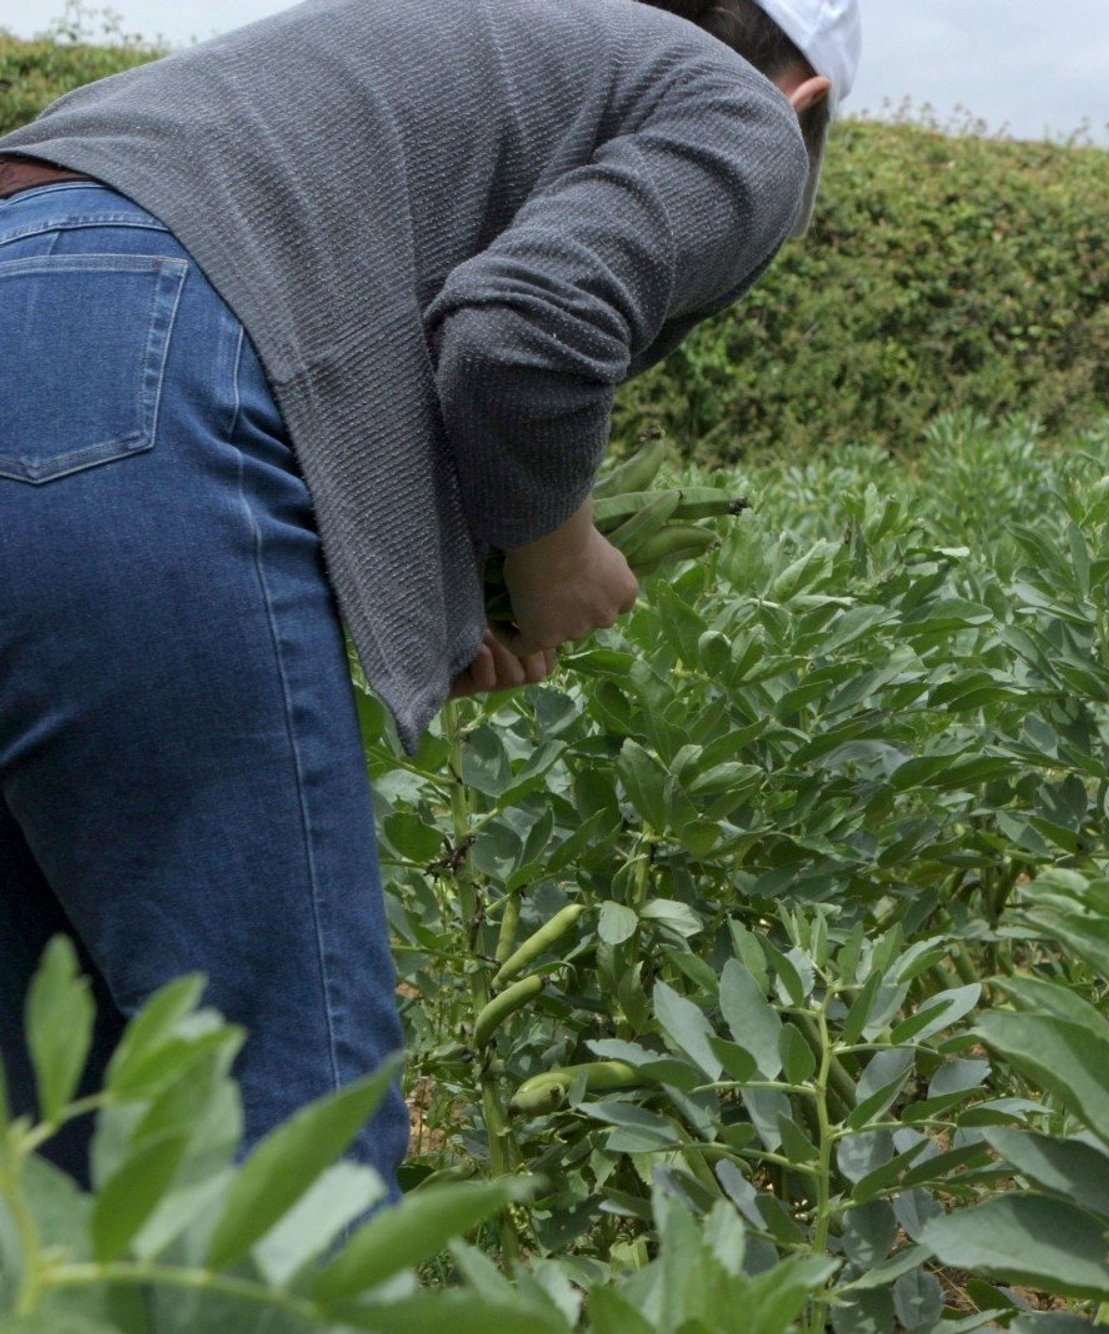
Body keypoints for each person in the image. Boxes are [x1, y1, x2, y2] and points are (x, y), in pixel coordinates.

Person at [0, 0, 860, 1189]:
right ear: (807, 96)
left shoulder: (487, 45)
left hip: (52, 270)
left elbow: (327, 317)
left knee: (66, 1137)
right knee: (291, 1139)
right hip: (144, 337)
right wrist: (552, 550)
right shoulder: (745, 114)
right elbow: (524, 332)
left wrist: (451, 597)